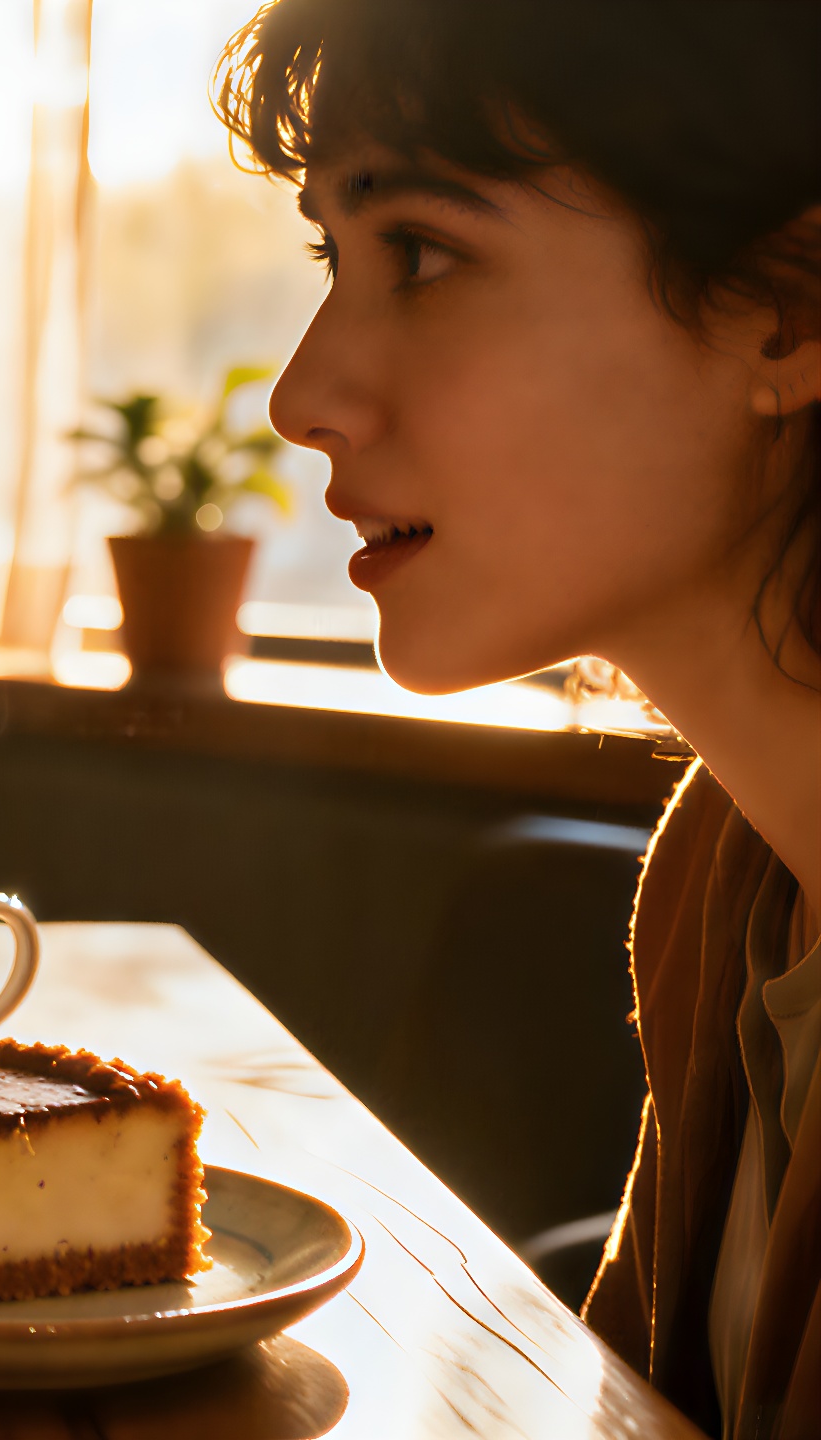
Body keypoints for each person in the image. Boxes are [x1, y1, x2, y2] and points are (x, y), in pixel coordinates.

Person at [221, 1, 821, 1433]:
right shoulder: (726, 868)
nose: (303, 398)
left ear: (791, 313)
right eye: (333, 257)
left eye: (421, 254)